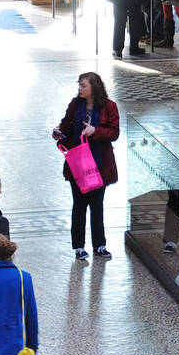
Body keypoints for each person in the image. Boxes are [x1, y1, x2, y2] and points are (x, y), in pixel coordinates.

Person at [52, 72, 120, 259]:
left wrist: (95, 131)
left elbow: (114, 133)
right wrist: (57, 133)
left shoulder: (109, 106)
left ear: (94, 88)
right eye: (80, 85)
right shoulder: (75, 104)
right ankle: (79, 247)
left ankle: (99, 245)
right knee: (79, 205)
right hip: (78, 163)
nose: (80, 89)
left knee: (97, 205)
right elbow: (65, 126)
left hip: (100, 163)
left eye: (84, 86)